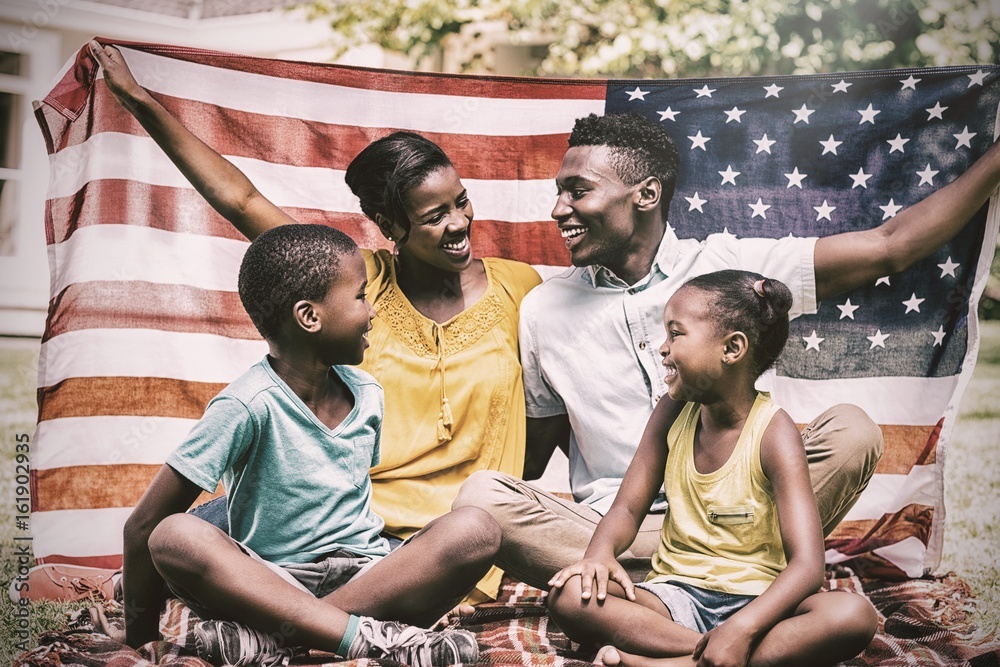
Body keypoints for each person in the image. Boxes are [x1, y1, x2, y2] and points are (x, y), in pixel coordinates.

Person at [454, 111, 1000, 589]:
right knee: (485, 496)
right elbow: (531, 454)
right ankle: (711, 586)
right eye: (559, 192)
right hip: (616, 534)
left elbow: (889, 246)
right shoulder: (543, 310)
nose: (558, 209)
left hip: (742, 518)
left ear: (646, 194)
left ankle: (676, 593)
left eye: (577, 191)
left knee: (853, 432)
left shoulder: (731, 267)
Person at [90, 41, 541, 600]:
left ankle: (293, 617)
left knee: (203, 568)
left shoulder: (521, 289)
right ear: (388, 226)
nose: (460, 223)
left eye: (462, 201)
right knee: (171, 544)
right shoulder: (355, 284)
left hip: (434, 539)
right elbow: (240, 199)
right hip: (330, 519)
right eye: (434, 216)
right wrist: (137, 100)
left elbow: (551, 411)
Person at [116, 223, 496, 666]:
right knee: (174, 536)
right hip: (272, 585)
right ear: (309, 317)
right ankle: (365, 639)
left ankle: (283, 643)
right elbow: (143, 527)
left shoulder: (368, 394)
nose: (372, 311)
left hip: (368, 576)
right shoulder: (246, 405)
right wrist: (139, 640)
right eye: (360, 296)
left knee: (477, 529)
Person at [547, 270, 878, 667]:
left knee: (852, 615)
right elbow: (627, 508)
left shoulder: (774, 433)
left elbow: (807, 566)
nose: (663, 348)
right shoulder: (672, 411)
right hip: (674, 598)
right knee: (570, 595)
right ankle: (712, 657)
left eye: (675, 334)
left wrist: (743, 627)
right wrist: (599, 554)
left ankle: (676, 662)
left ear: (732, 348)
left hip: (759, 607)